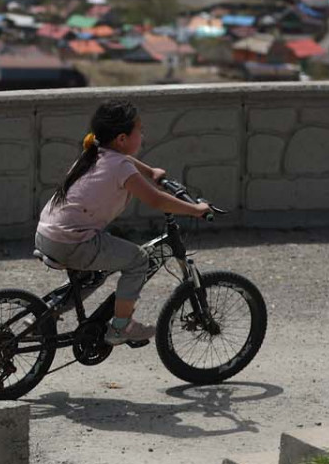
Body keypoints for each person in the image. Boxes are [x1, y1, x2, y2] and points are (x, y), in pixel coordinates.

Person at [35, 99, 209, 345]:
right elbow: (157, 200)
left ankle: (43, 315)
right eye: (139, 130)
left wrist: (150, 172)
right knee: (139, 260)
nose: (143, 134)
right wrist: (196, 210)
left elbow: (122, 159)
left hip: (47, 234)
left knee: (95, 273)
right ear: (122, 138)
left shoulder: (95, 151)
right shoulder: (120, 167)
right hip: (73, 242)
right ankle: (120, 327)